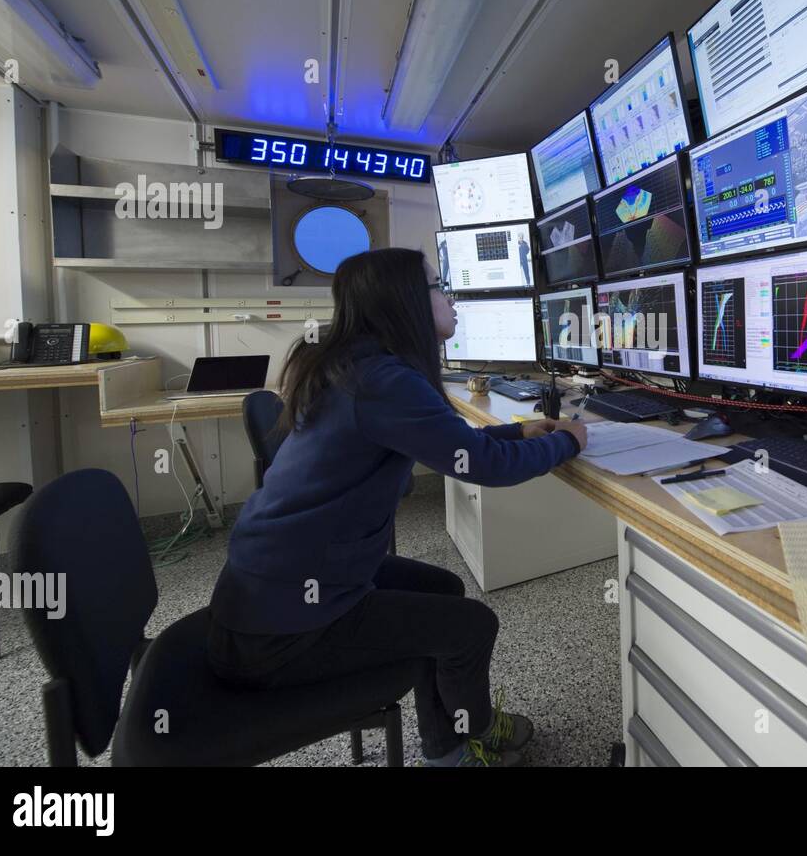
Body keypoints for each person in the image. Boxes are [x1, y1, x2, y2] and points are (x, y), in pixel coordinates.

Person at [206, 247, 587, 766]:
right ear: (405, 300)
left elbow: (448, 440)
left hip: (272, 587)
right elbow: (483, 466)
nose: (449, 297)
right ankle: (465, 747)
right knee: (472, 626)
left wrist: (519, 429)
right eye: (437, 286)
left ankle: (448, 741)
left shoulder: (355, 367)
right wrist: (571, 441)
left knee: (445, 589)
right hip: (279, 630)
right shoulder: (383, 381)